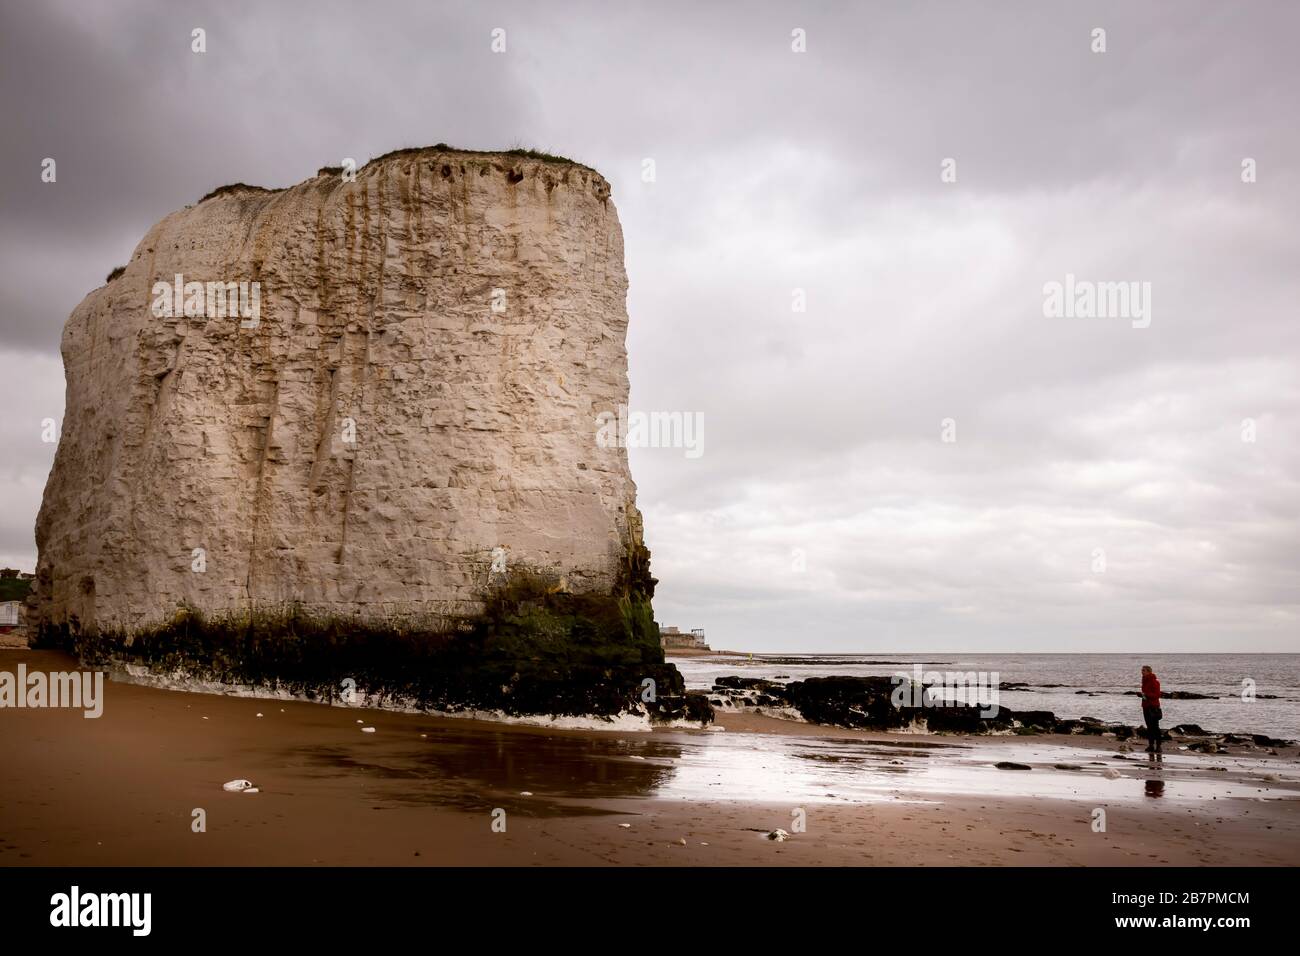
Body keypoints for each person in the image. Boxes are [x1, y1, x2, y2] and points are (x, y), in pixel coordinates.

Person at [1140, 665, 1162, 753]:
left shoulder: (1154, 682)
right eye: (1142, 670)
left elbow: (1157, 695)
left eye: (1144, 670)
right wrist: (1142, 695)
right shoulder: (1144, 681)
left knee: (1155, 727)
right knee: (1149, 727)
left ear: (1149, 672)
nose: (1142, 672)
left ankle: (1159, 746)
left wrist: (1146, 695)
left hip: (1153, 706)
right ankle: (1151, 745)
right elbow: (1146, 694)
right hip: (1145, 706)